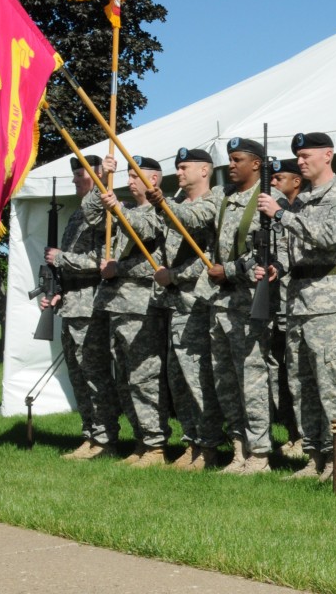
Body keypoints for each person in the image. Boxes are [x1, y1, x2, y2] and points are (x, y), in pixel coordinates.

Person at [163, 138, 284, 475]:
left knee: (253, 379)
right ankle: (239, 449)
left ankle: (259, 454)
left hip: (248, 302)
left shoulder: (267, 201)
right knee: (225, 382)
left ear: (257, 163)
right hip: (220, 304)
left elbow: (271, 249)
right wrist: (162, 203)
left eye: (237, 159)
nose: (230, 165)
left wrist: (228, 270)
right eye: (229, 159)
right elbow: (194, 214)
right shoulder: (222, 197)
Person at [257, 131, 336, 482]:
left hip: (333, 303)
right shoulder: (303, 199)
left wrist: (280, 214)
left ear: (328, 155)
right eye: (298, 157)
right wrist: (280, 267)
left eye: (306, 156)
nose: (301, 162)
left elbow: (327, 236)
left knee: (332, 385)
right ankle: (313, 458)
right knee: (302, 385)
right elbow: (298, 250)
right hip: (300, 301)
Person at [83, 154, 170, 468]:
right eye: (128, 176)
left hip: (141, 304)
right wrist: (100, 181)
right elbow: (91, 215)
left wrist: (118, 265)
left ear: (154, 180)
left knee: (143, 376)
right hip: (116, 303)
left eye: (136, 176)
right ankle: (141, 441)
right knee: (124, 377)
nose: (130, 181)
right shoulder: (125, 210)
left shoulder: (162, 209)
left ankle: (156, 444)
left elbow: (144, 232)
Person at [149, 147, 225, 471]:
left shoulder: (214, 202)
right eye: (177, 168)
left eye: (184, 167)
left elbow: (207, 256)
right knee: (177, 378)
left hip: (196, 300)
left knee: (197, 377)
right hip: (174, 302)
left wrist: (174, 275)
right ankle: (191, 441)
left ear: (204, 170)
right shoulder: (176, 205)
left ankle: (207, 446)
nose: (178, 173)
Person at [43, 155, 118, 460]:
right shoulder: (77, 214)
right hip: (72, 305)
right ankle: (89, 434)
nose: (74, 180)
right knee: (78, 375)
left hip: (90, 306)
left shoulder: (103, 213)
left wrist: (60, 259)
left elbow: (101, 262)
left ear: (95, 177)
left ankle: (105, 438)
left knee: (95, 375)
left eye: (79, 175)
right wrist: (56, 290)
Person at [267, 157, 305, 457]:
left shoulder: (301, 213)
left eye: (280, 178)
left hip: (296, 303)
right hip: (274, 304)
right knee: (277, 372)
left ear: (296, 182)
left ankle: (305, 436)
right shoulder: (272, 216)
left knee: (297, 371)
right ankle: (292, 433)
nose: (274, 183)